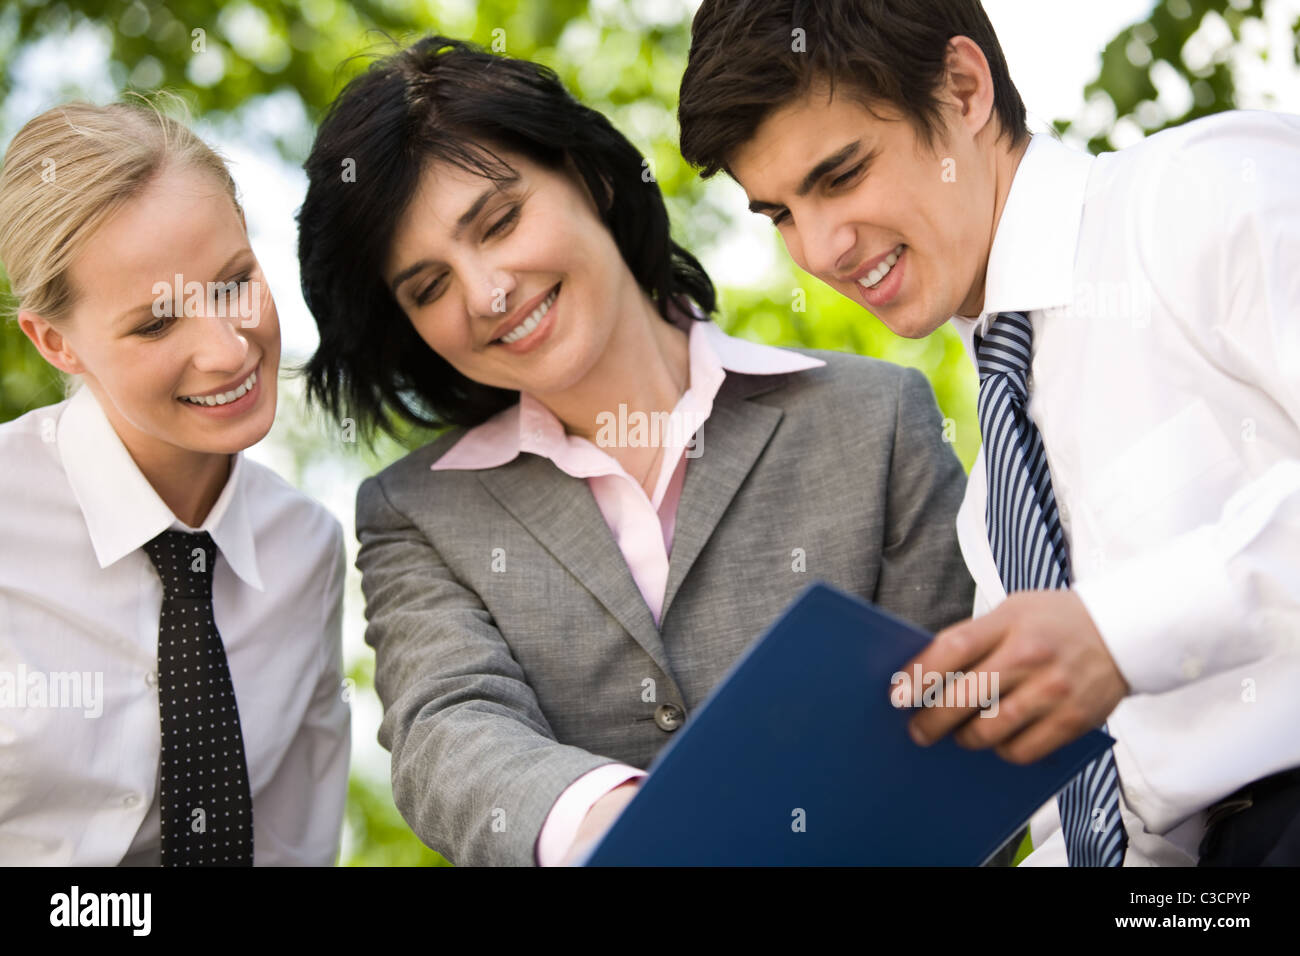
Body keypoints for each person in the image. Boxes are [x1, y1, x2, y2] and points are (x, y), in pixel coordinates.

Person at [297, 35, 976, 867]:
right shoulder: (417, 513)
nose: (487, 293)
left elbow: (958, 723)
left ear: (592, 178)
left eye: (501, 221)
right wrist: (623, 826)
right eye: (429, 287)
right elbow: (448, 726)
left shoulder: (877, 419)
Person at [677, 0, 1300, 865]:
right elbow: (1109, 817)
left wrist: (1122, 633)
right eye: (780, 213)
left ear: (965, 88)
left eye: (841, 174)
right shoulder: (997, 504)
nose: (818, 250)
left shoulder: (1200, 195)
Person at [0, 98, 350, 865]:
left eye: (232, 284)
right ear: (56, 342)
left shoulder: (306, 552)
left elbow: (294, 847)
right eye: (158, 323)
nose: (227, 352)